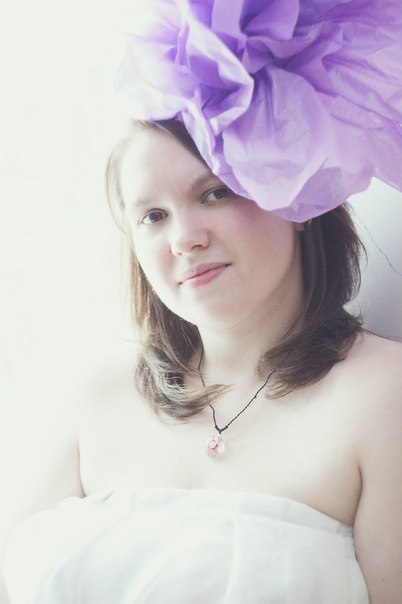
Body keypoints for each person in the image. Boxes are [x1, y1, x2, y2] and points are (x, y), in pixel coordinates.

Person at [2, 1, 402, 603]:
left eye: (214, 193)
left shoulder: (382, 395)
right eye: (153, 216)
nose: (184, 238)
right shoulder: (94, 397)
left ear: (294, 195)